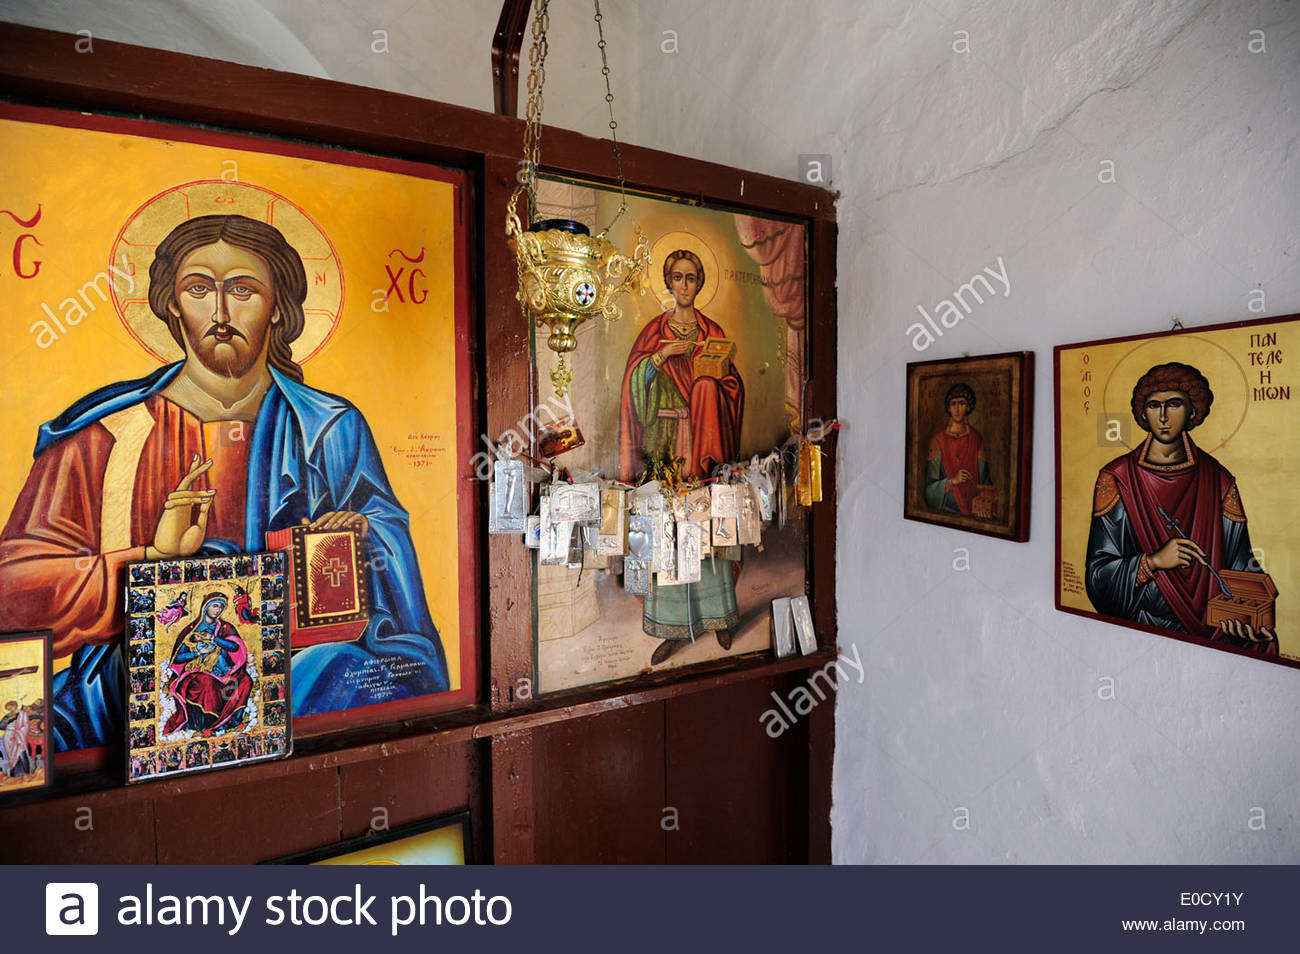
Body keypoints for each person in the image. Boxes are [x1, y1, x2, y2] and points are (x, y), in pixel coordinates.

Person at [0, 214, 449, 751]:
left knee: (339, 672)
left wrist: (356, 539)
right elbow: (14, 589)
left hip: (302, 677)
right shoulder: (103, 434)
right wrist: (150, 557)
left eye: (242, 290)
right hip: (138, 686)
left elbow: (391, 565)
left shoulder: (328, 429)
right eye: (198, 289)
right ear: (170, 304)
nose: (219, 313)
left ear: (278, 306)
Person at [1084, 362, 1277, 654]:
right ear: (1143, 414)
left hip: (1215, 626)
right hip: (1143, 625)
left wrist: (1249, 614)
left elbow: (1240, 563)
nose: (1163, 416)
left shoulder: (1219, 480)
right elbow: (1097, 577)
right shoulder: (1118, 479)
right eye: (1154, 406)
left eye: (1174, 404)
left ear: (1192, 412)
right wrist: (1153, 562)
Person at [618, 250, 744, 664]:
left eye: (692, 278)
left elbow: (733, 389)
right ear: (669, 283)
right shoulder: (654, 332)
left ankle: (717, 617)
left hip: (705, 446)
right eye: (678, 277)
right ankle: (674, 626)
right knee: (668, 531)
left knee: (705, 524)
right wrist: (662, 355)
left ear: (700, 283)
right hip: (664, 444)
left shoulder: (712, 332)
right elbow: (633, 386)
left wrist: (712, 388)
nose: (685, 285)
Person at [924, 383, 993, 518]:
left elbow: (985, 481)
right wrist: (952, 481)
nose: (956, 408)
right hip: (948, 510)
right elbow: (929, 490)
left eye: (961, 403)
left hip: (975, 510)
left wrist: (985, 503)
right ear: (949, 408)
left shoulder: (976, 439)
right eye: (953, 404)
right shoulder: (938, 440)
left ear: (968, 407)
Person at [1, 701, 31, 778]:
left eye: (11, 707)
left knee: (22, 752)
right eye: (8, 708)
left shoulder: (22, 714)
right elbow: (1, 726)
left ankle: (26, 773)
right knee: (12, 756)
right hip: (9, 738)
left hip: (19, 737)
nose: (10, 709)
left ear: (15, 706)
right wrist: (7, 720)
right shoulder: (8, 716)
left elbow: (26, 725)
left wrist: (18, 733)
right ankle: (15, 775)